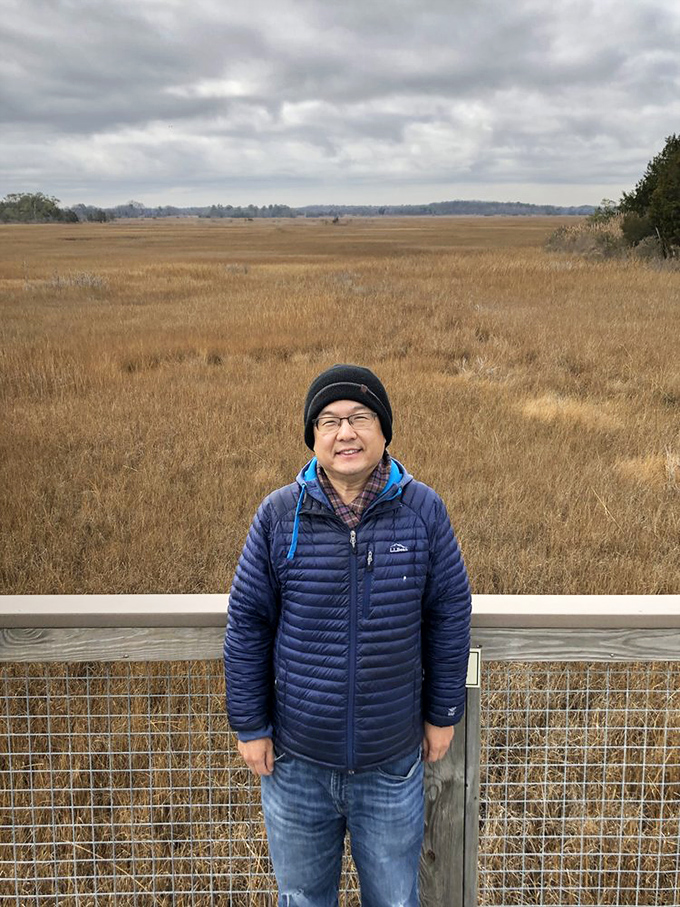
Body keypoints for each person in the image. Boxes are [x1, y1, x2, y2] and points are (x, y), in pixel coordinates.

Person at [224, 364, 471, 907]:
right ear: (313, 437)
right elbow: (247, 622)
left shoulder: (423, 511)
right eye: (330, 421)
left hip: (390, 763)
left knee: (395, 899)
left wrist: (441, 714)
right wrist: (249, 724)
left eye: (361, 418)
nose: (346, 433)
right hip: (296, 765)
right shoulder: (278, 515)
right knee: (303, 899)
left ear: (385, 432)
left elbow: (449, 612)